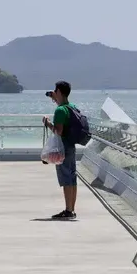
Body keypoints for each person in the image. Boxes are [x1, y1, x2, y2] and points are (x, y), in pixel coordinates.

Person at [43, 80, 78, 220]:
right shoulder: (71, 107)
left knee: (66, 179)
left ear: (59, 92)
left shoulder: (59, 110)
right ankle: (72, 209)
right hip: (71, 146)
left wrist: (48, 123)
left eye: (55, 90)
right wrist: (55, 99)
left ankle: (68, 210)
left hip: (62, 147)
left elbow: (58, 131)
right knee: (72, 178)